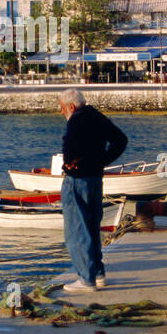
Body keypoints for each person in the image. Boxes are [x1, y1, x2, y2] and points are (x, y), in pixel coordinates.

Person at [57, 88, 128, 293]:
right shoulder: (96, 115)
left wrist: (69, 163)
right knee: (92, 226)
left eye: (62, 109)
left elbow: (69, 148)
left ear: (71, 106)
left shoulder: (76, 119)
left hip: (77, 180)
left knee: (77, 230)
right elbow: (121, 140)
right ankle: (98, 274)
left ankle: (86, 279)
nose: (62, 113)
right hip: (96, 178)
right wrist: (102, 161)